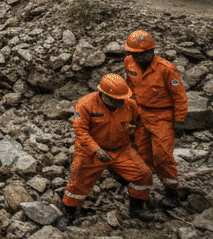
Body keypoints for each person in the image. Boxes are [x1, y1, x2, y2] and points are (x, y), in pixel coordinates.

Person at [57, 74, 154, 228]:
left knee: (144, 174)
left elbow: (140, 125)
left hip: (121, 149)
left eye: (122, 99)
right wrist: (96, 150)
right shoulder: (86, 104)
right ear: (103, 94)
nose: (119, 103)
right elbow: (81, 131)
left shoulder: (130, 105)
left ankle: (136, 209)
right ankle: (69, 213)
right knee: (78, 182)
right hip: (90, 151)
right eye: (116, 100)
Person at [122, 30, 187, 209]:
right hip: (141, 115)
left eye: (142, 54)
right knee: (143, 157)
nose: (138, 57)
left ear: (151, 51)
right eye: (134, 54)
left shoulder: (167, 69)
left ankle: (172, 194)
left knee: (163, 156)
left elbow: (180, 96)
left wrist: (180, 121)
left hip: (162, 117)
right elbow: (129, 87)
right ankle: (139, 197)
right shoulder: (129, 62)